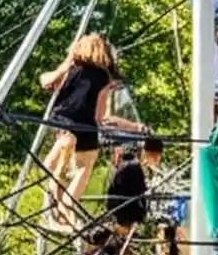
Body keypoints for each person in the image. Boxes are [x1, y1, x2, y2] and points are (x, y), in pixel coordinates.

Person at [40, 33, 144, 229]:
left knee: (67, 155)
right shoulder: (104, 77)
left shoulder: (72, 68)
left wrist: (65, 64)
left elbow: (46, 81)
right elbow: (101, 115)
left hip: (65, 120)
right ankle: (66, 202)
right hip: (82, 125)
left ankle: (56, 192)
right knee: (83, 165)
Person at [106, 138, 164, 232]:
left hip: (123, 211)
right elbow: (135, 196)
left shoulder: (134, 167)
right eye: (156, 156)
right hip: (122, 214)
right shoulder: (133, 168)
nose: (158, 159)